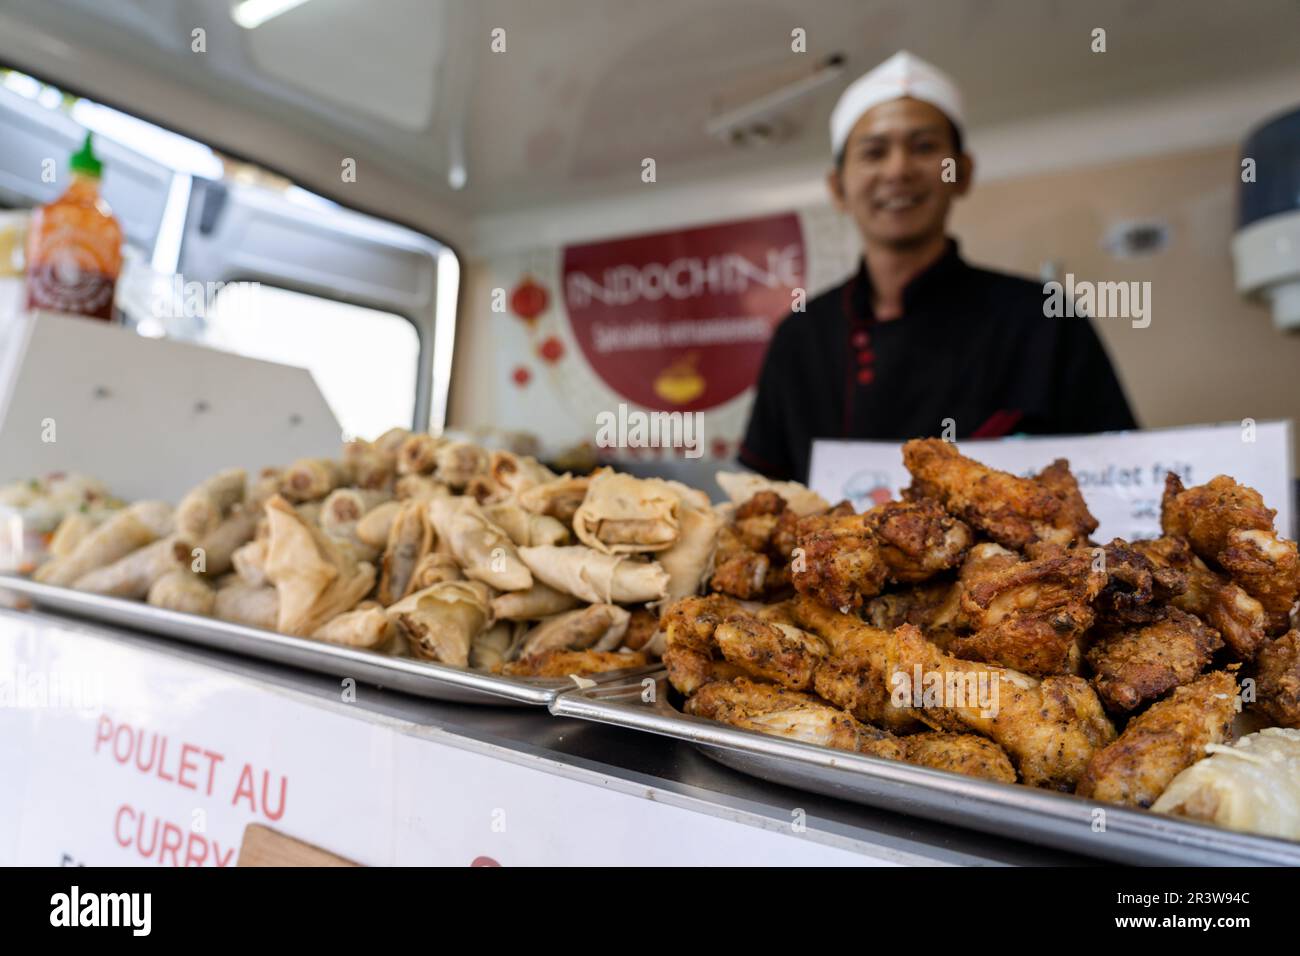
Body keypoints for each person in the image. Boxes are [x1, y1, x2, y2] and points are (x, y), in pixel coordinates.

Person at [738, 51, 1136, 483]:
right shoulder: (800, 335)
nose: (898, 169)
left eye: (924, 147)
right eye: (874, 152)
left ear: (961, 173)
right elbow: (764, 498)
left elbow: (1123, 480)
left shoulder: (1045, 320)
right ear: (838, 188)